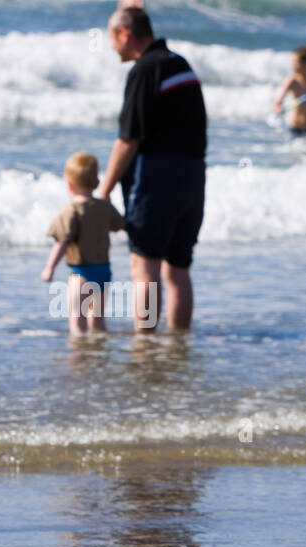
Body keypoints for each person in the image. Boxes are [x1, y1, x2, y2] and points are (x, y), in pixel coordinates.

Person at [96, 3, 206, 333]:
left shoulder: (144, 70)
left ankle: (145, 346)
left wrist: (103, 192)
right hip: (193, 178)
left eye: (112, 38)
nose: (112, 45)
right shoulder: (180, 65)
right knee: (178, 270)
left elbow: (128, 140)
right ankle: (177, 346)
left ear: (125, 34)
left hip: (156, 181)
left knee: (144, 268)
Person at [41, 152, 125, 335]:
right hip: (104, 272)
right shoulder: (104, 207)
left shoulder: (71, 211)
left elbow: (62, 241)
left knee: (77, 322)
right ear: (96, 182)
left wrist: (49, 267)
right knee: (98, 321)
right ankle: (98, 355)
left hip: (82, 273)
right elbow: (120, 224)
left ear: (70, 184)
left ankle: (80, 359)